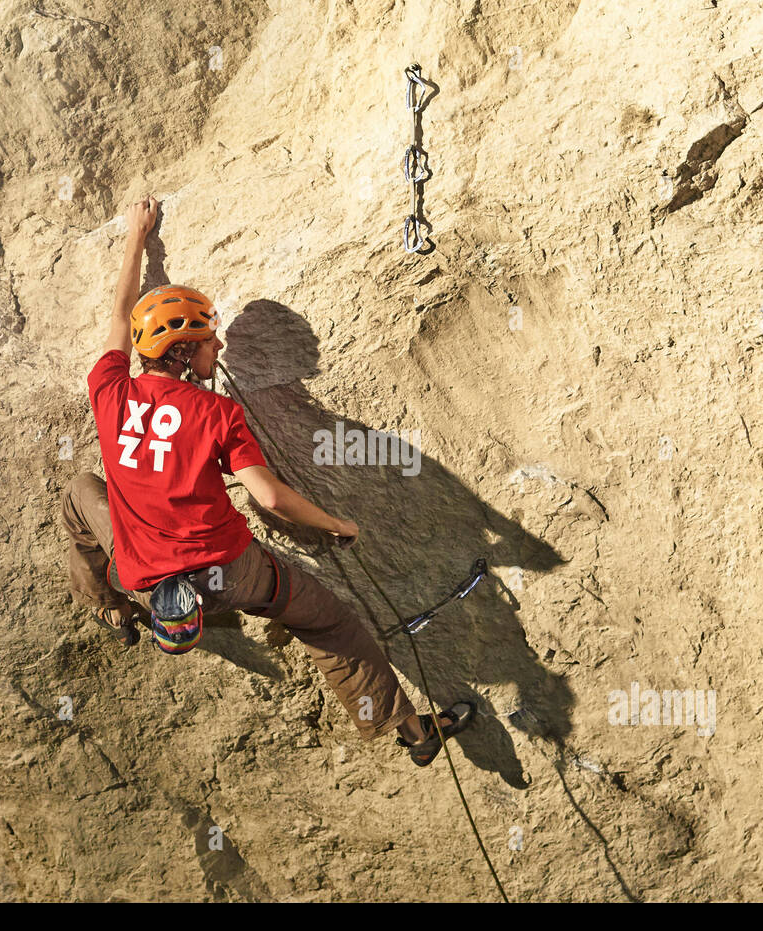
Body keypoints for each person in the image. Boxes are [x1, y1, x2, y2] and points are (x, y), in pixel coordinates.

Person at [60, 197, 475, 766]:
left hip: (147, 572)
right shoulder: (217, 416)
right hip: (232, 573)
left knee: (82, 491)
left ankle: (114, 607)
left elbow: (118, 313)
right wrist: (337, 524)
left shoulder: (110, 391)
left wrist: (137, 237)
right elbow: (272, 497)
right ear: (184, 351)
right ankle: (409, 729)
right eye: (210, 339)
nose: (219, 346)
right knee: (327, 620)